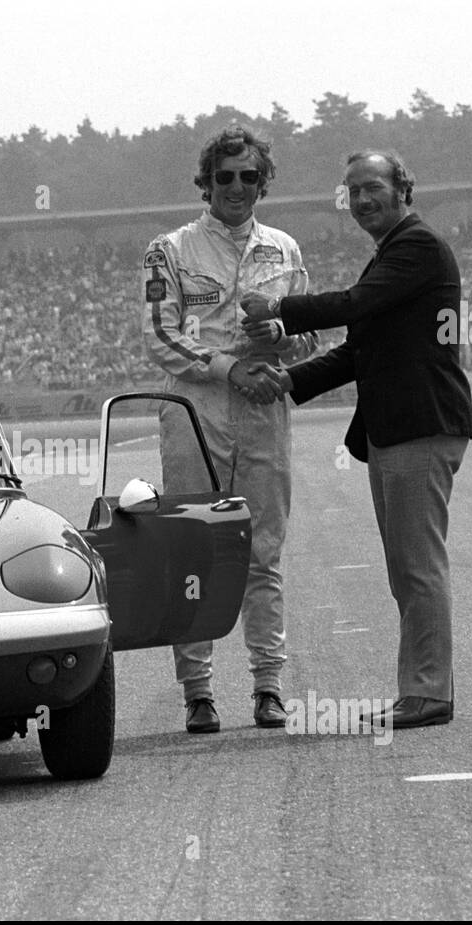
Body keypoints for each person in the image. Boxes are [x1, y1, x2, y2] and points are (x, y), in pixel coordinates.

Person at [244, 150, 472, 729]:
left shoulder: (417, 247)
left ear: (404, 188)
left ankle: (427, 693)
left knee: (417, 565)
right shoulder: (392, 254)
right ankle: (422, 690)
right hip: (397, 428)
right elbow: (359, 348)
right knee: (407, 566)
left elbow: (355, 306)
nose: (362, 200)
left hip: (419, 425)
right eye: (352, 192)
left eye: (372, 187)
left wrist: (279, 307)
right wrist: (288, 381)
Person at [141, 125, 320, 734]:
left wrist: (282, 338)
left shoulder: (284, 249)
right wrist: (227, 368)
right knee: (193, 548)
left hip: (264, 408)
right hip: (196, 410)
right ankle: (197, 692)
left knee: (263, 551)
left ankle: (269, 686)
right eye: (225, 177)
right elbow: (160, 336)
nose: (237, 187)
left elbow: (310, 333)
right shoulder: (169, 249)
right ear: (205, 183)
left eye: (249, 176)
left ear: (264, 182)